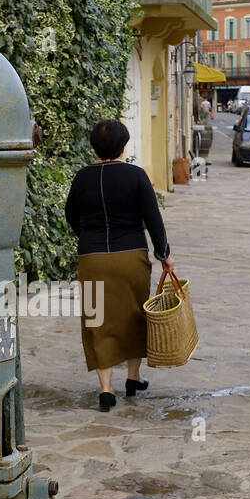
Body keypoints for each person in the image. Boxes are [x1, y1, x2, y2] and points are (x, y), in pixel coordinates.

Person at [65, 120, 174, 411]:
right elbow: (154, 221)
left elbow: (71, 215)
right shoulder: (136, 176)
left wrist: (87, 237)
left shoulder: (82, 178)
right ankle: (134, 377)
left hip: (92, 258)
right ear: (123, 146)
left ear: (93, 146)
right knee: (134, 316)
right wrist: (164, 255)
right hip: (131, 257)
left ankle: (105, 388)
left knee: (97, 319)